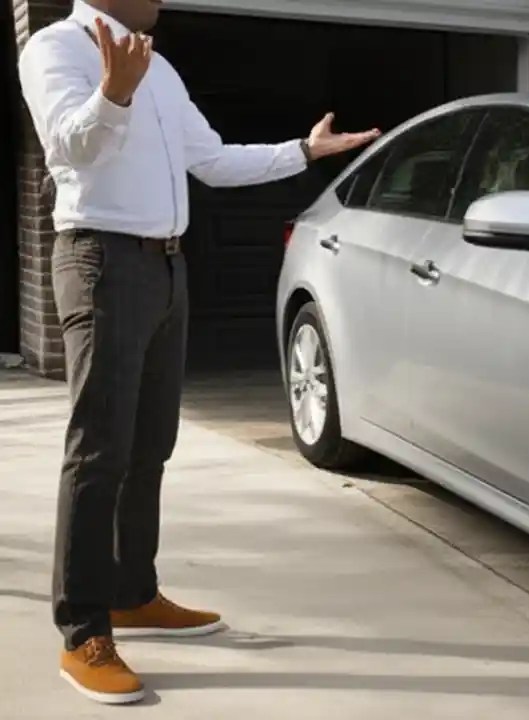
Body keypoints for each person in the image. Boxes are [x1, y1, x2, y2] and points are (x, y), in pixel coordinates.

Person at [17, 0, 381, 705]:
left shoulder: (160, 65)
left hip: (166, 266)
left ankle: (132, 591)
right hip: (100, 261)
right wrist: (112, 94)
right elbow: (69, 149)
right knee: (99, 450)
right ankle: (83, 631)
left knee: (151, 443)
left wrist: (301, 152)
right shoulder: (55, 49)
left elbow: (210, 161)